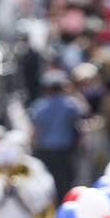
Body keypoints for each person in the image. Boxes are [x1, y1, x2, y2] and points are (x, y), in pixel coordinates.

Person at [28, 70, 88, 200]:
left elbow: (33, 131)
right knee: (65, 183)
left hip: (45, 150)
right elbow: (84, 113)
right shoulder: (70, 104)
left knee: (47, 181)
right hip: (64, 151)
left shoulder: (38, 106)